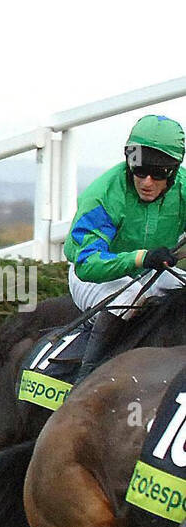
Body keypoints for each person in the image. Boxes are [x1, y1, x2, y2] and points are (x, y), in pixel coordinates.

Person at [65, 114, 186, 385]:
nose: (146, 182)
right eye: (140, 170)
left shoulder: (184, 189)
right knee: (129, 299)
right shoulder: (104, 194)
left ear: (174, 170)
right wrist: (141, 258)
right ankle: (83, 385)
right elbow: (88, 264)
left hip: (152, 271)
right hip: (94, 276)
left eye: (159, 174)